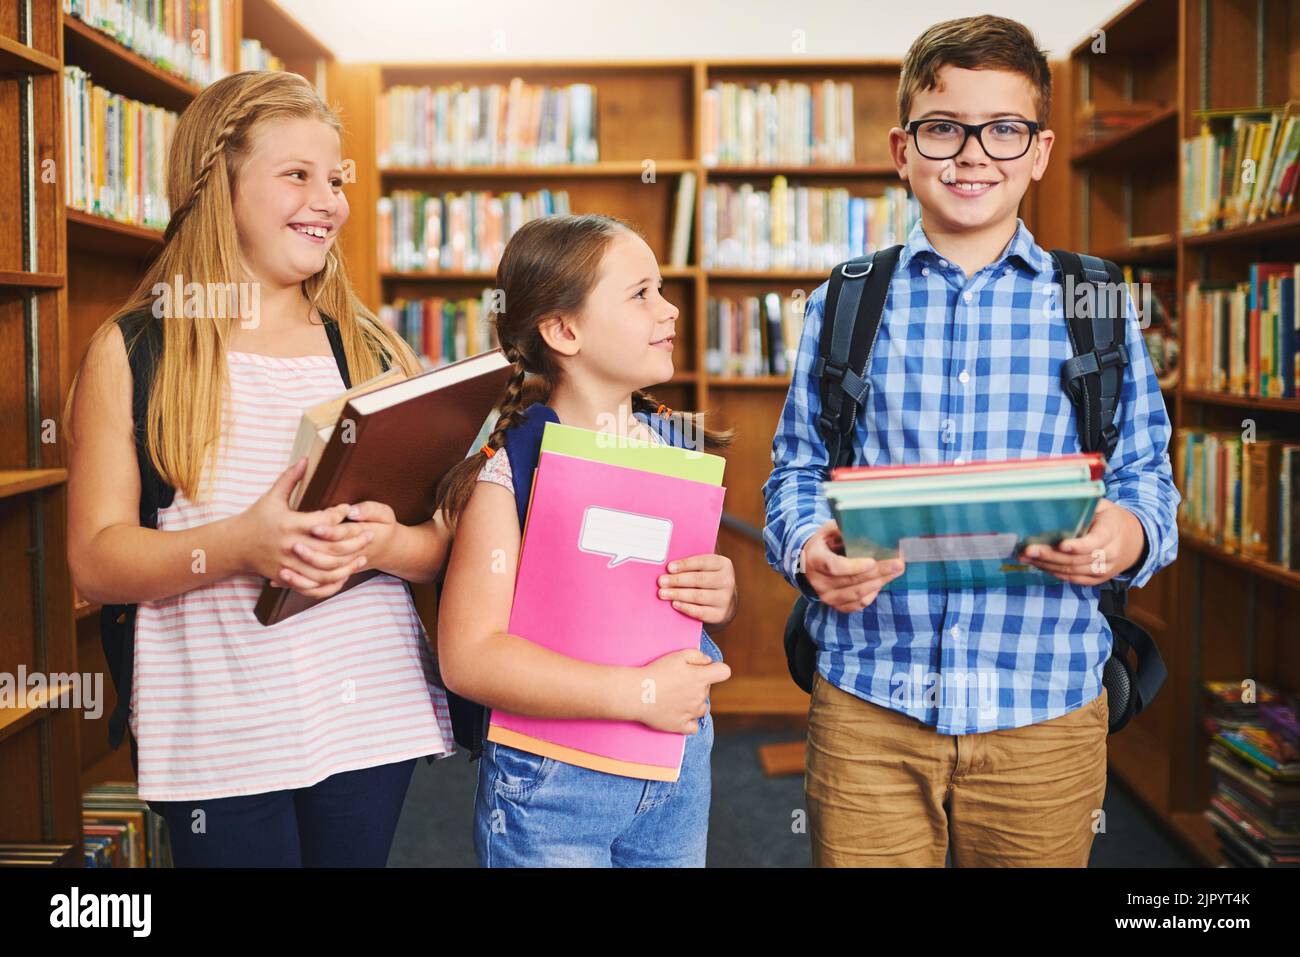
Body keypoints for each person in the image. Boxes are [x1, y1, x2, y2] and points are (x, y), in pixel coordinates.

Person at [762, 15, 1179, 867]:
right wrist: (810, 547)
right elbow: (796, 471)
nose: (972, 152)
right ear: (902, 148)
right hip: (869, 702)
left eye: (1005, 129)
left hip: (1046, 705)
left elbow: (1148, 479)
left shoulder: (1095, 301)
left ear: (1039, 150)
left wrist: (1123, 535)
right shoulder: (843, 302)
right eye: (944, 127)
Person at [64, 70, 454, 867]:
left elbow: (438, 540)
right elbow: (96, 560)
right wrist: (243, 544)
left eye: (337, 179)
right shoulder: (139, 351)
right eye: (297, 175)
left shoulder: (372, 349)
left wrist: (384, 545)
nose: (330, 200)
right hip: (216, 727)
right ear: (219, 185)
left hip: (367, 714)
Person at [436, 214, 736, 867]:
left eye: (662, 288)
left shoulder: (669, 459)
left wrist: (720, 592)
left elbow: (664, 605)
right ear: (564, 330)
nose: (670, 309)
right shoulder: (507, 475)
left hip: (676, 767)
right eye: (641, 294)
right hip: (554, 783)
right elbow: (468, 657)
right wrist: (640, 695)